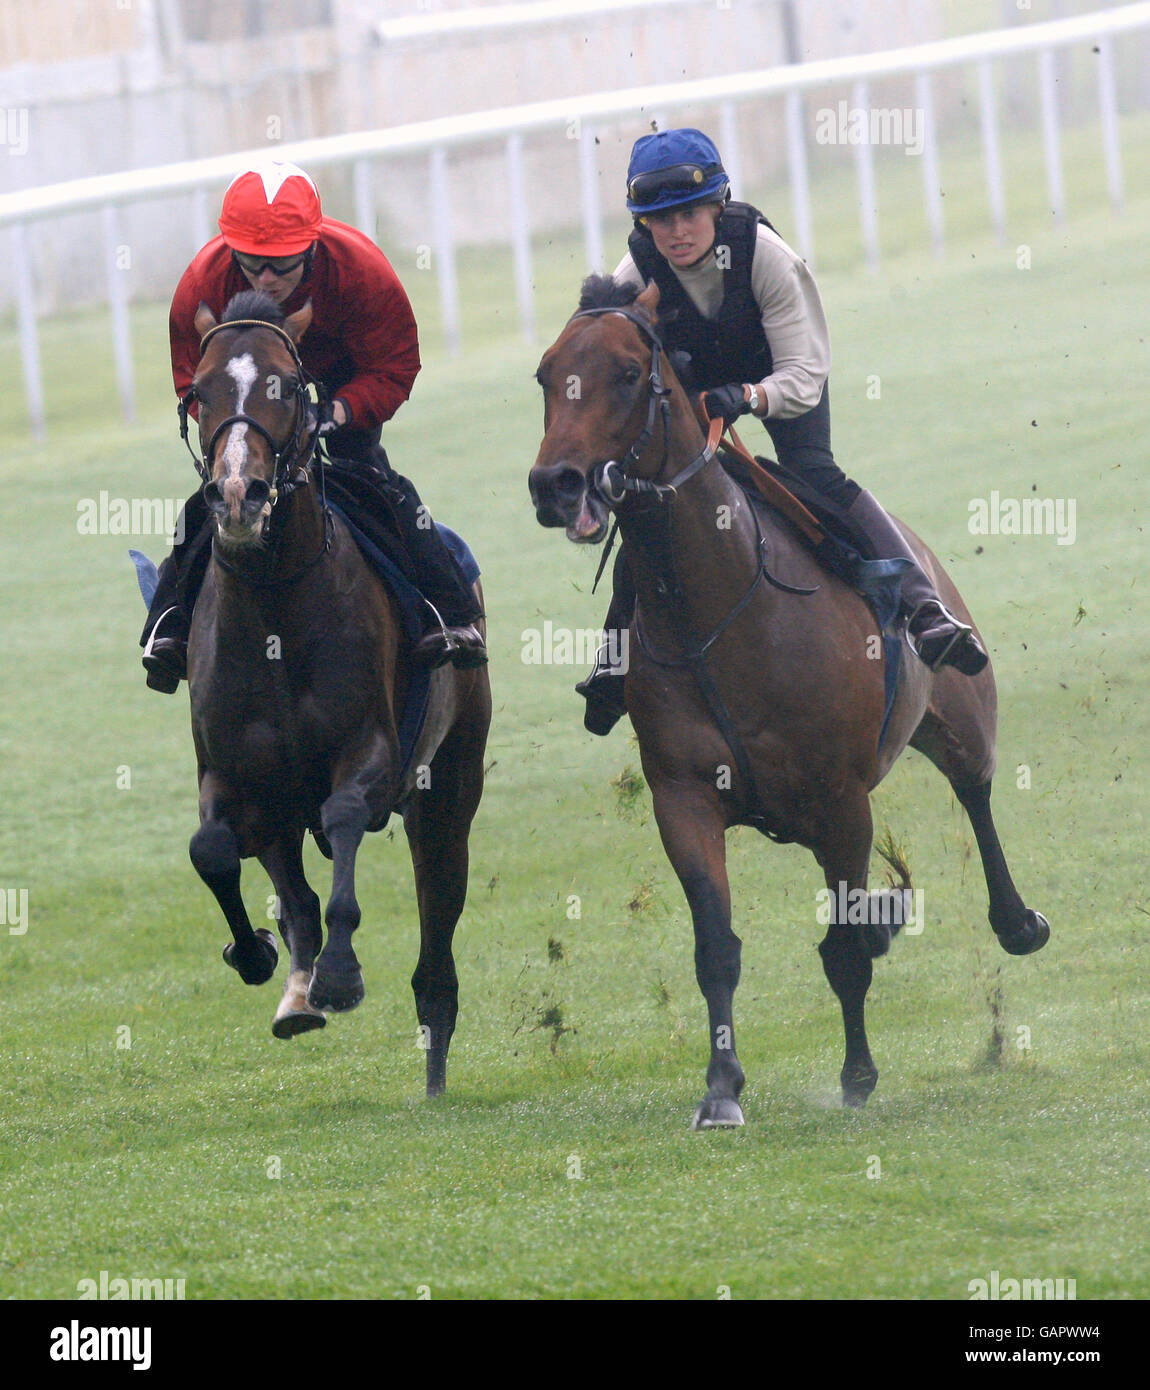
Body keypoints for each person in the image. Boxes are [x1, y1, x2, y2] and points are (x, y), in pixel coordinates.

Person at [576, 127, 987, 735]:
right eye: (660, 220)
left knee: (813, 475)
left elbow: (806, 372)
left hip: (781, 376)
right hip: (694, 390)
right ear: (643, 225)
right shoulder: (633, 279)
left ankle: (925, 610)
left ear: (718, 205)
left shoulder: (767, 257)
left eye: (689, 213)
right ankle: (614, 662)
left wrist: (748, 396)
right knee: (652, 509)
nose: (677, 231)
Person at [141, 160, 486, 692]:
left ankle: (453, 613)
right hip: (249, 397)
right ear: (231, 249)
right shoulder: (203, 283)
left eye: (282, 264)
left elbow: (395, 365)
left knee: (376, 485)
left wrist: (337, 412)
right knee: (208, 501)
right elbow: (194, 376)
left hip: (342, 384)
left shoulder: (362, 271)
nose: (267, 278)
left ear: (314, 246)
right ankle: (167, 627)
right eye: (253, 263)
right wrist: (235, 433)